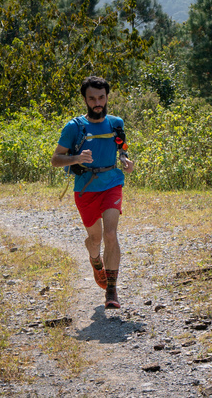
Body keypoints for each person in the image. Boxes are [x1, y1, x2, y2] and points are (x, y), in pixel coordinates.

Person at [51, 75, 134, 309]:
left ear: (107, 97)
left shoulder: (116, 123)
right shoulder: (74, 127)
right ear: (85, 100)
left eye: (101, 97)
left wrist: (126, 161)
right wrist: (77, 158)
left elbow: (121, 148)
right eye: (92, 98)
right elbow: (56, 159)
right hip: (86, 187)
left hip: (112, 182)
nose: (97, 102)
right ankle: (95, 261)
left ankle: (111, 291)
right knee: (95, 239)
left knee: (110, 234)